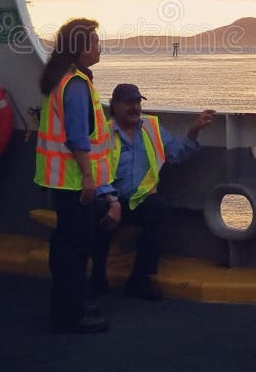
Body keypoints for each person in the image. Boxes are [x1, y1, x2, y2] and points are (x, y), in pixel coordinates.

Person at [92, 83, 215, 300]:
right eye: (129, 103)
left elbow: (176, 154)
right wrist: (112, 201)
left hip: (140, 201)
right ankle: (97, 276)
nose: (135, 108)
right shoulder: (104, 132)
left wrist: (194, 130)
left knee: (160, 208)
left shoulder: (151, 127)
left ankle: (139, 279)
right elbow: (96, 172)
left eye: (138, 102)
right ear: (115, 106)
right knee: (97, 211)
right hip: (111, 199)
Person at [34, 18, 113, 333]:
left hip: (61, 180)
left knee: (66, 246)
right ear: (80, 49)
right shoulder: (76, 84)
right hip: (75, 181)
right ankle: (72, 312)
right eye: (94, 42)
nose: (98, 47)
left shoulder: (60, 79)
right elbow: (78, 137)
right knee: (76, 248)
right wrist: (89, 178)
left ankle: (68, 304)